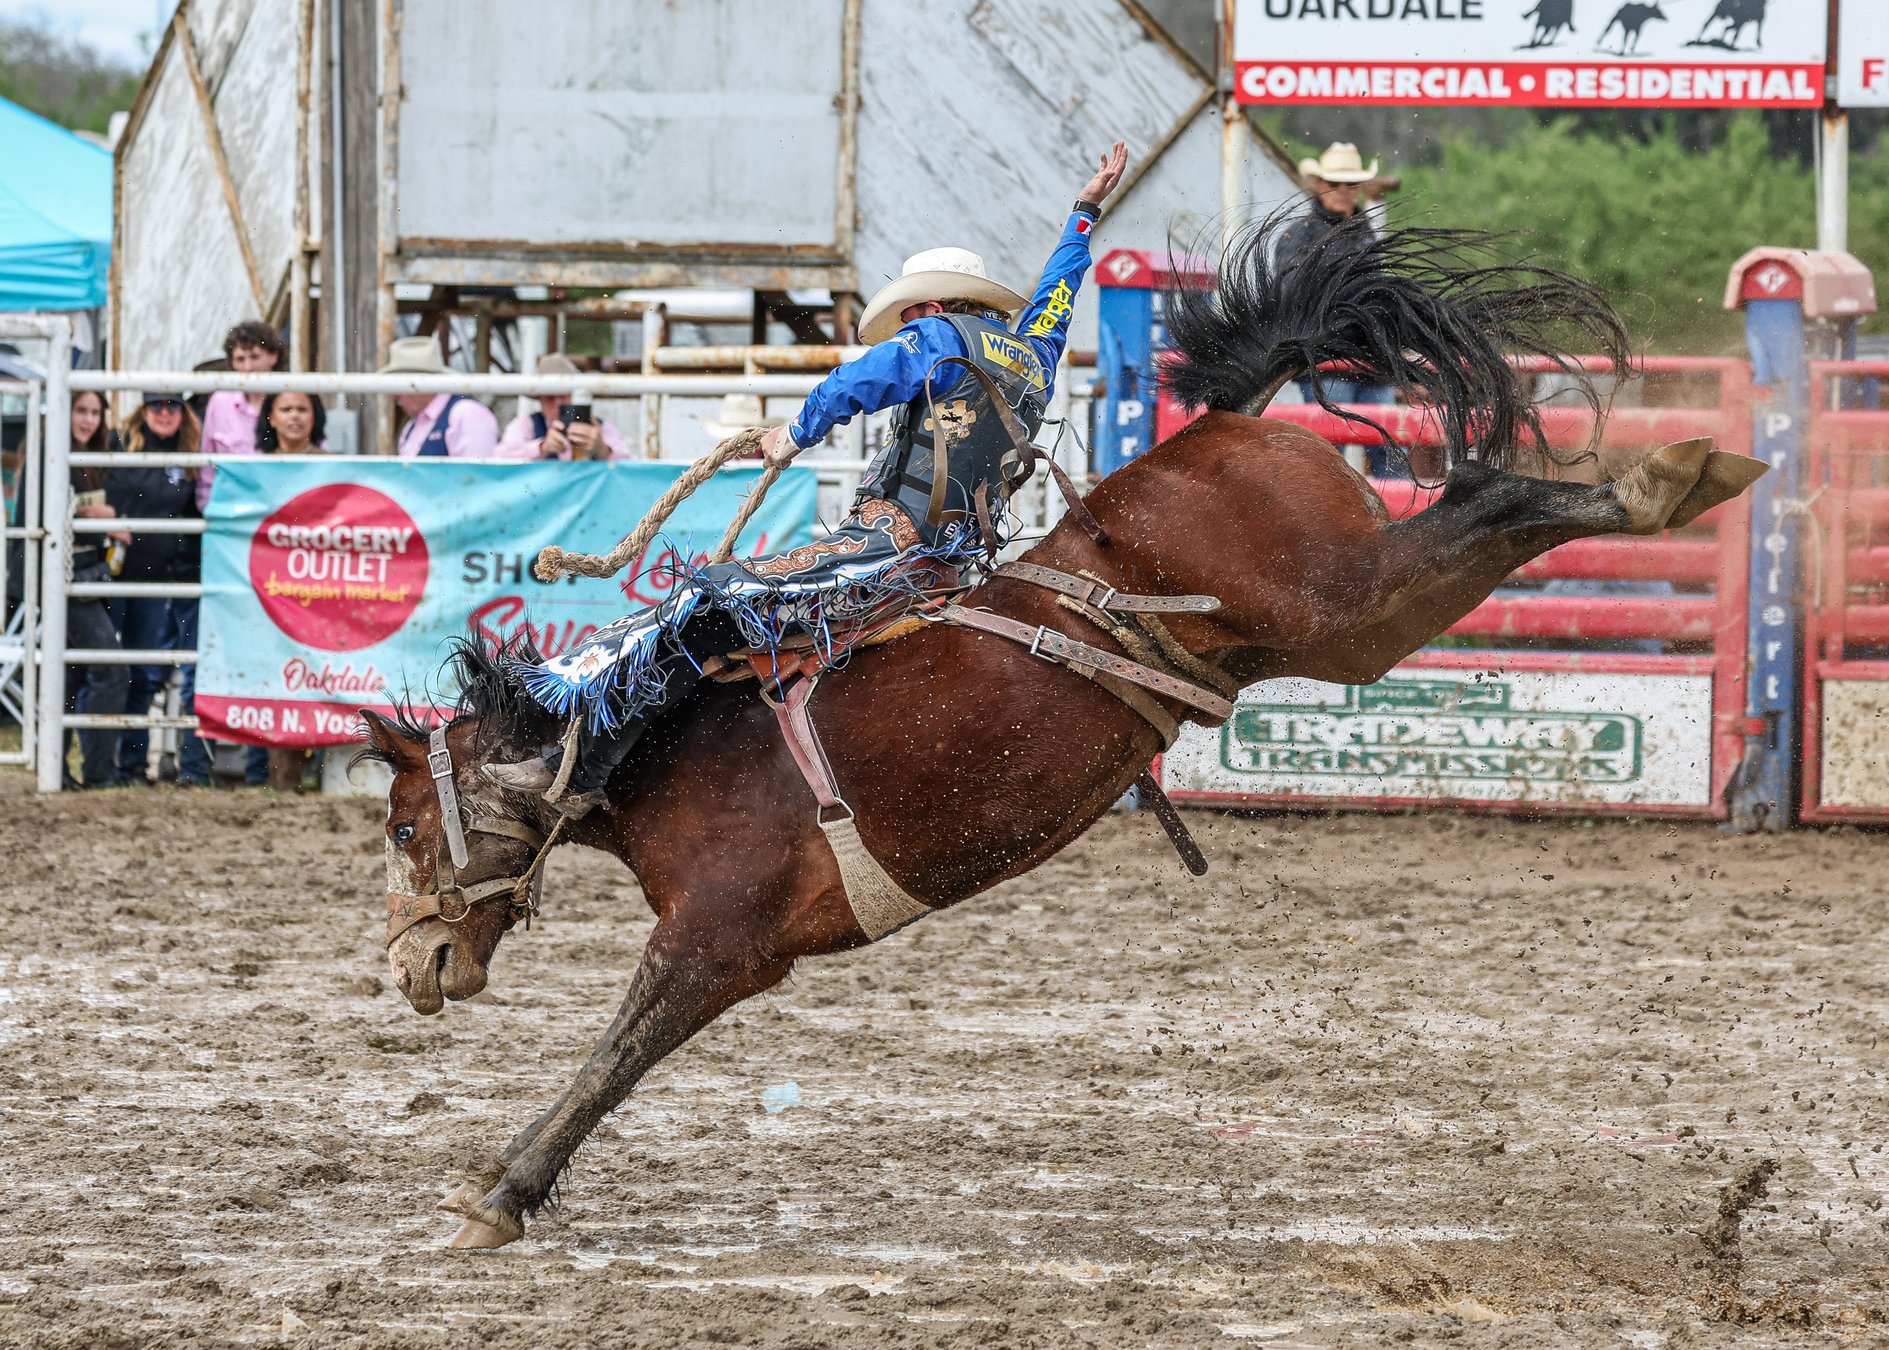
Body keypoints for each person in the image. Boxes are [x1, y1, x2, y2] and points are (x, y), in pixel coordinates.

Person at [492, 142, 1129, 815]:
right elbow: (1061, 288)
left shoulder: (939, 337)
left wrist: (793, 431)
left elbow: (861, 380)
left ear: (936, 303)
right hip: (955, 558)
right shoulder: (1036, 352)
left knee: (711, 599)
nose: (907, 324)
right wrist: (1083, 211)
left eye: (913, 311)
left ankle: (582, 769)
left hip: (890, 550)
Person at [1276, 142, 1402, 475]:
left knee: (1389, 452)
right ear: (1320, 184)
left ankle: (1403, 521)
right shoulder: (1298, 236)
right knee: (1331, 459)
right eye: (1335, 183)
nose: (1343, 191)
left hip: (1369, 360)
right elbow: (1290, 295)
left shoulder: (1364, 233)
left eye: (1350, 184)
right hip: (1328, 359)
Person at [106, 393, 212, 786]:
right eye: (156, 407)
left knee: (187, 675)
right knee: (140, 674)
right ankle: (131, 767)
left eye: (172, 406)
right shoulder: (121, 446)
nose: (164, 414)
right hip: (132, 575)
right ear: (143, 410)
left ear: (183, 412)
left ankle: (192, 770)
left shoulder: (194, 454)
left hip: (181, 575)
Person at [58, 391, 133, 788]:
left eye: (94, 413)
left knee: (71, 671)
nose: (87, 420)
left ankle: (61, 770)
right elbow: (42, 513)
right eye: (80, 411)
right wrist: (94, 517)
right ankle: (99, 773)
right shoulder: (52, 453)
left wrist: (96, 517)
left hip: (84, 573)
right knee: (110, 668)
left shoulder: (93, 459)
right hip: (65, 574)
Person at [197, 320, 287, 511]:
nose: (248, 367)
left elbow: (316, 450)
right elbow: (208, 462)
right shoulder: (220, 402)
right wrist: (209, 508)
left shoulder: (292, 397)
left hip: (283, 508)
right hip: (234, 510)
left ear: (273, 356)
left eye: (254, 357)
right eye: (240, 359)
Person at [495, 354, 631, 461]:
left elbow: (628, 463)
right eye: (550, 396)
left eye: (563, 395)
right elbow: (498, 459)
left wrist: (603, 449)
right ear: (540, 399)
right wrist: (542, 447)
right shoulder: (526, 425)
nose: (558, 403)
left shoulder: (601, 427)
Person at [380, 336, 499, 458]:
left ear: (420, 384)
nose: (394, 397)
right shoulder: (411, 425)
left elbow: (475, 474)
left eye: (399, 387)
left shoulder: (466, 413)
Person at [255, 390, 329, 455]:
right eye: (286, 409)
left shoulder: (331, 464)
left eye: (302, 409)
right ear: (271, 418)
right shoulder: (261, 465)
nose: (295, 415)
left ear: (314, 416)